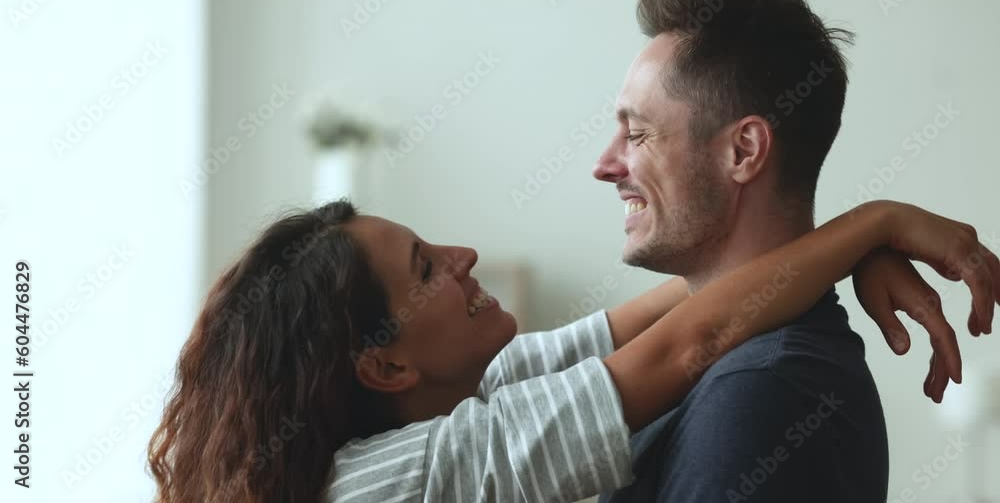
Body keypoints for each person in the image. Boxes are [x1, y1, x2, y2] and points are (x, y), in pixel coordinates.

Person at [146, 198, 998, 503]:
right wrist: (879, 220)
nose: (464, 255)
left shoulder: (455, 398)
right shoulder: (395, 479)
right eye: (427, 267)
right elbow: (688, 345)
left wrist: (853, 244)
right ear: (387, 364)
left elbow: (681, 307)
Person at [592, 0, 988, 501]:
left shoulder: (763, 389)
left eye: (638, 133)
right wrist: (858, 239)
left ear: (743, 151)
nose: (604, 165)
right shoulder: (742, 372)